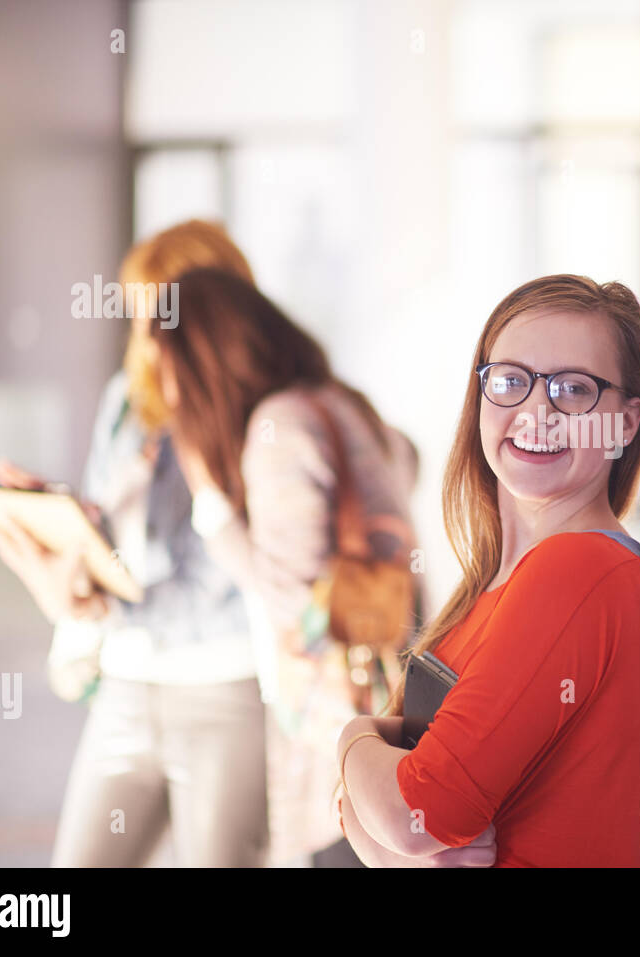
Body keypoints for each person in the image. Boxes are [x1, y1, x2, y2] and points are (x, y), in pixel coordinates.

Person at [333, 274, 640, 867]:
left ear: (627, 421)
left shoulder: (580, 569)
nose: (538, 412)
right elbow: (375, 822)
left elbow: (413, 817)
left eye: (574, 389)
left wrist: (352, 736)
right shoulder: (491, 581)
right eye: (511, 381)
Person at [0, 220, 268, 866]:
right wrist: (63, 518)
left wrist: (95, 606)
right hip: (127, 685)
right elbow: (111, 529)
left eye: (164, 316)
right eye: (140, 314)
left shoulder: (257, 418)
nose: (146, 334)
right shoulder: (125, 400)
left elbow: (217, 587)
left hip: (222, 689)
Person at [145, 267, 419, 867]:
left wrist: (212, 506)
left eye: (169, 368)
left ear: (202, 364)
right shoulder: (346, 404)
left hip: (338, 736)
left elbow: (299, 608)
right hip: (389, 706)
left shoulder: (280, 430)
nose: (167, 393)